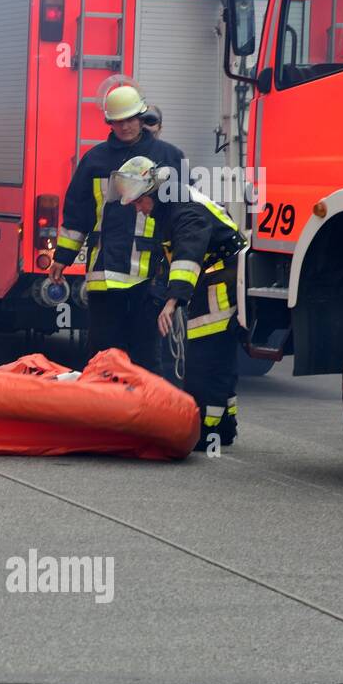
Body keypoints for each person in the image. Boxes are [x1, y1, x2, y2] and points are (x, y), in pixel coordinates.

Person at [49, 81, 186, 373]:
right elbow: (77, 213)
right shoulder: (94, 160)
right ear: (109, 122)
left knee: (146, 360)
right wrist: (62, 257)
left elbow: (184, 217)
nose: (124, 127)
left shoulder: (169, 158)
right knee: (102, 360)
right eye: (117, 122)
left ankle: (146, 417)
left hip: (148, 278)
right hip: (104, 276)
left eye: (130, 120)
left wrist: (178, 276)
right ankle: (104, 416)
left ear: (142, 117)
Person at [117, 156, 246, 449]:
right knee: (220, 358)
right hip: (216, 279)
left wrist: (173, 300)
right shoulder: (173, 204)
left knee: (204, 359)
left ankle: (202, 431)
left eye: (139, 202)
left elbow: (189, 250)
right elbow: (174, 257)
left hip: (219, 282)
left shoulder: (182, 209)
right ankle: (222, 427)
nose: (138, 209)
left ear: (152, 192)